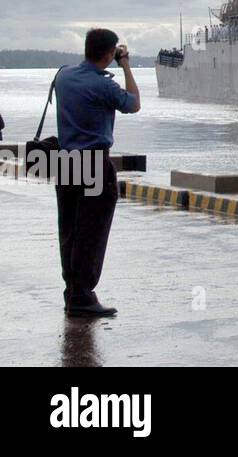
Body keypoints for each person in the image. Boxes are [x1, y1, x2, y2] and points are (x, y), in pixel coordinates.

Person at [53, 28, 141, 318]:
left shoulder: (63, 75)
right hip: (92, 162)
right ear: (109, 53)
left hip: (65, 162)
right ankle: (83, 296)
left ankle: (72, 292)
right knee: (92, 231)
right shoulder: (104, 86)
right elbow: (133, 103)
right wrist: (125, 64)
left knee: (69, 230)